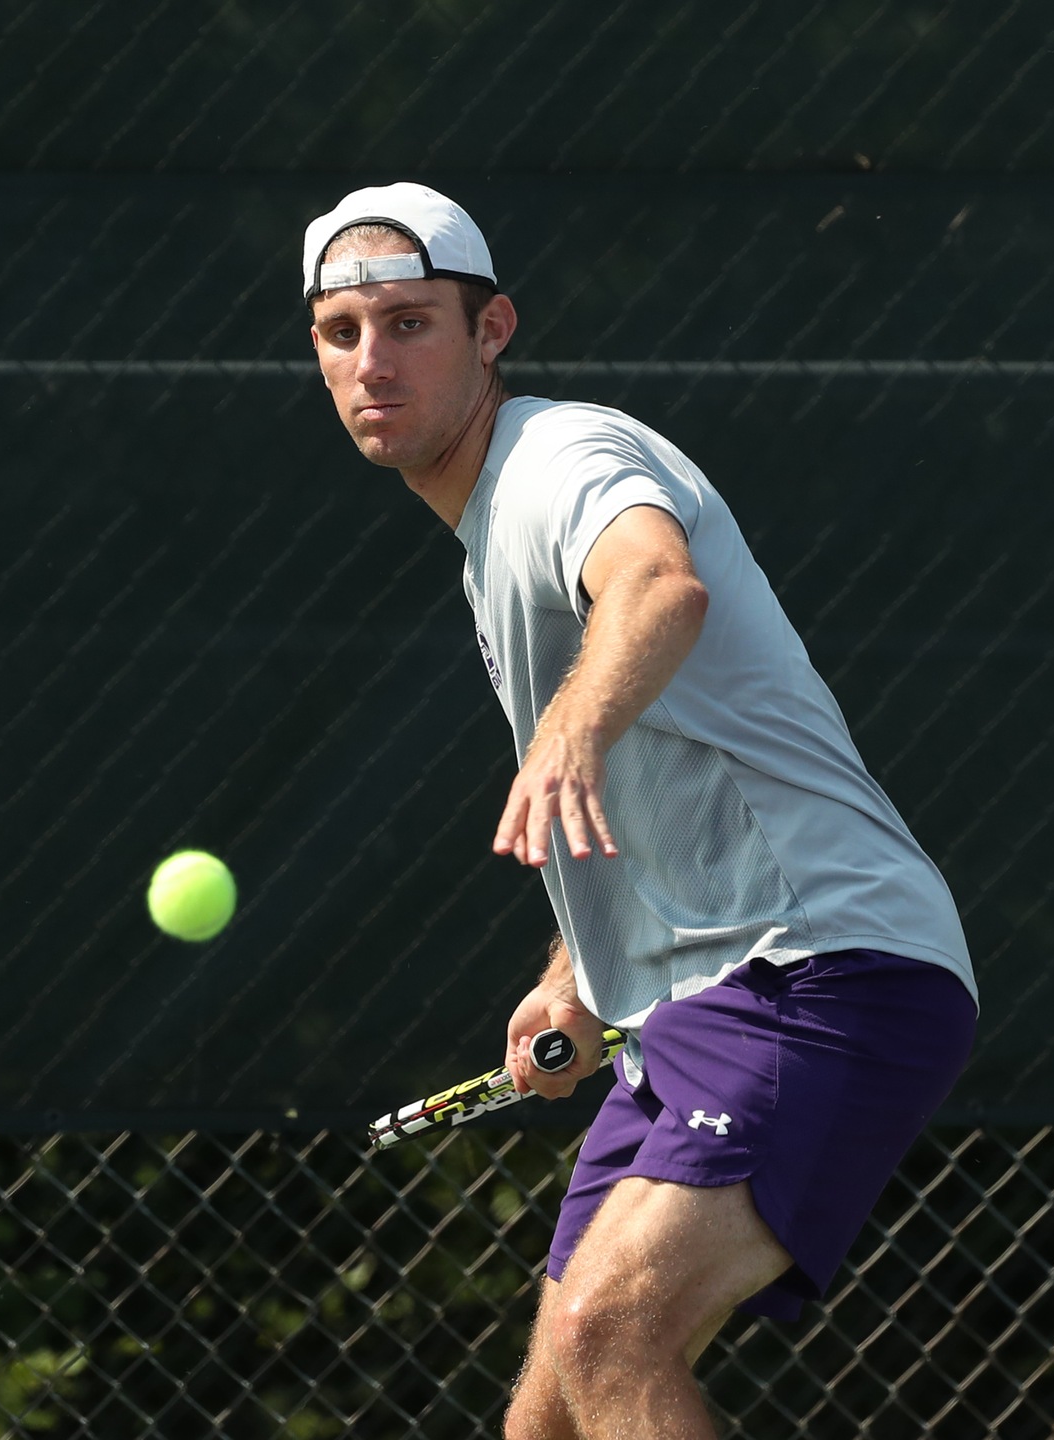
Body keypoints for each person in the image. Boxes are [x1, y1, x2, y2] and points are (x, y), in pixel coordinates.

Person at [302, 183, 978, 1440]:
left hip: (822, 965)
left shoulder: (559, 459)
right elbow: (669, 766)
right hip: (697, 999)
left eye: (408, 323)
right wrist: (573, 973)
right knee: (550, 1417)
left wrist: (567, 725)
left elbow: (659, 590)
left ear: (491, 327)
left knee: (613, 1334)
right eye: (342, 332)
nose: (372, 361)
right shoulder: (488, 522)